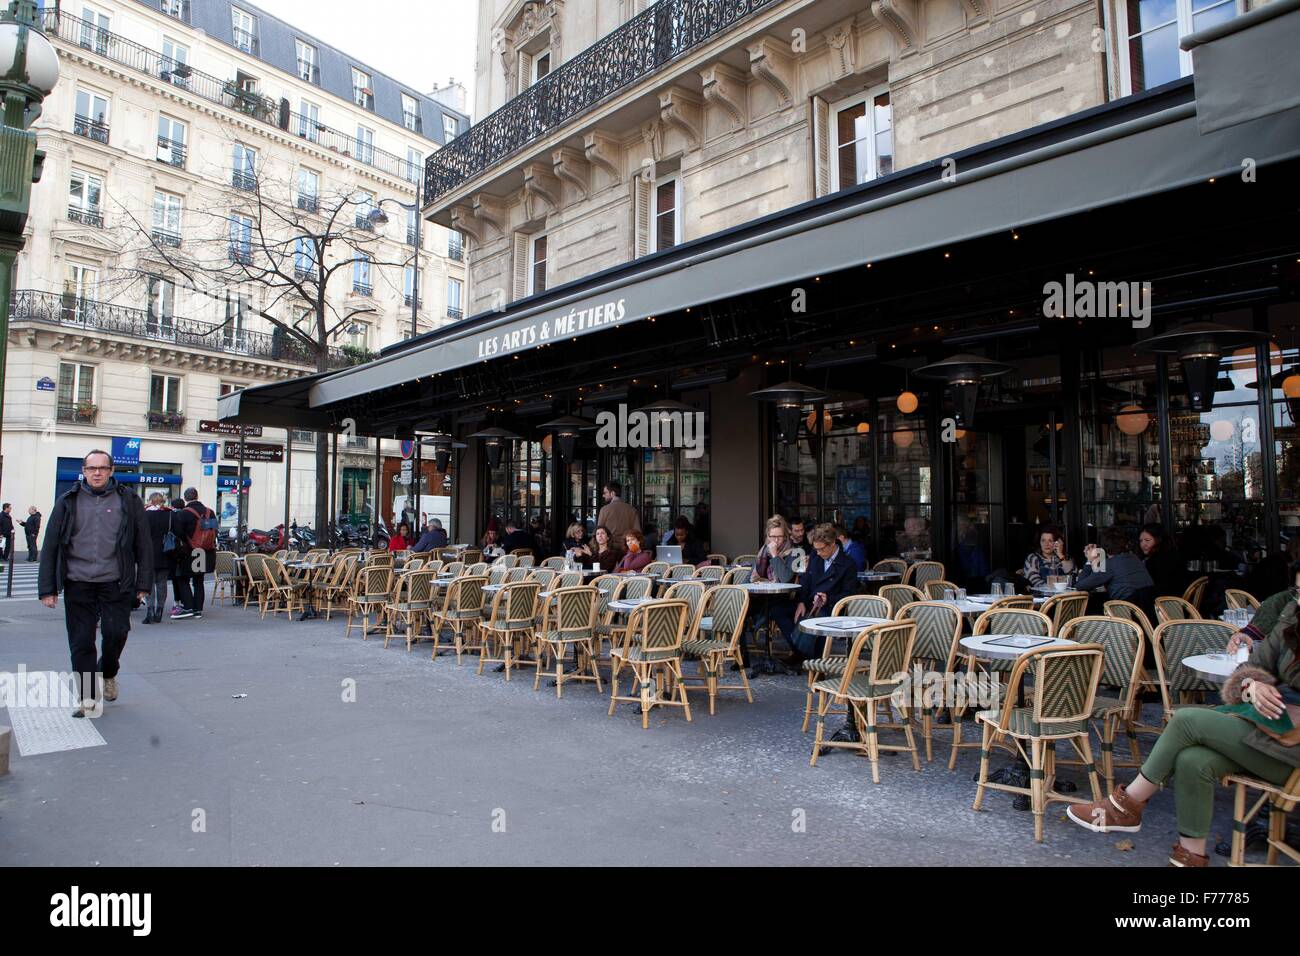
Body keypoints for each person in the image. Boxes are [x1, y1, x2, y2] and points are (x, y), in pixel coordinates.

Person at [1066, 560, 1300, 866]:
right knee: (1192, 760)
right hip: (1269, 727)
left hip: (1292, 749)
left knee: (1187, 719)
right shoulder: (1291, 615)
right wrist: (1252, 686)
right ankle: (1190, 858)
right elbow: (1249, 669)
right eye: (1297, 590)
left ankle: (1125, 806)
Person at [37, 449, 152, 717]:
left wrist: (143, 583)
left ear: (111, 471)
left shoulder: (129, 500)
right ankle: (88, 698)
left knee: (116, 633)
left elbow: (143, 544)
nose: (97, 472)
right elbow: (51, 545)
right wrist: (47, 589)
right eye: (92, 468)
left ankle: (108, 671)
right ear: (84, 471)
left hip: (116, 581)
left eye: (102, 468)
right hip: (78, 581)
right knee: (81, 642)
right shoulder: (68, 501)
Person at [790, 524, 859, 667]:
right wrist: (801, 602)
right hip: (809, 603)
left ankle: (815, 663)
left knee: (821, 617)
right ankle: (797, 652)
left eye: (822, 549)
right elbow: (806, 580)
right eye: (816, 549)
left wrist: (828, 598)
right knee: (779, 609)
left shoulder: (848, 564)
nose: (819, 552)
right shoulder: (815, 555)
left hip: (833, 607)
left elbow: (849, 594)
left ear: (833, 543)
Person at [170, 488, 217, 620]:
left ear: (185, 498)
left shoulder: (184, 513)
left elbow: (177, 532)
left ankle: (188, 607)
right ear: (197, 496)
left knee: (182, 578)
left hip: (188, 551)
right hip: (205, 551)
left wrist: (186, 542)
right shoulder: (210, 512)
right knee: (199, 580)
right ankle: (198, 610)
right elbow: (214, 531)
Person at [1076, 528, 1154, 606]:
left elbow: (1080, 586)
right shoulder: (1134, 558)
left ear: (1104, 547)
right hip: (1147, 611)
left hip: (1125, 612)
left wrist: (1089, 561)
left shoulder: (1108, 564)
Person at [142, 493, 174, 624]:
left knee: (149, 582)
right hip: (165, 552)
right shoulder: (170, 514)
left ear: (150, 501)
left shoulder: (145, 515)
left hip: (148, 553)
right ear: (162, 501)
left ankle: (150, 610)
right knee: (162, 582)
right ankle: (160, 609)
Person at [1139, 523, 1186, 597]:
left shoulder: (1156, 562)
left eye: (1147, 540)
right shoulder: (1173, 554)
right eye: (1141, 541)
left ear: (1158, 540)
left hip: (1165, 603)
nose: (1143, 544)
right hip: (1177, 600)